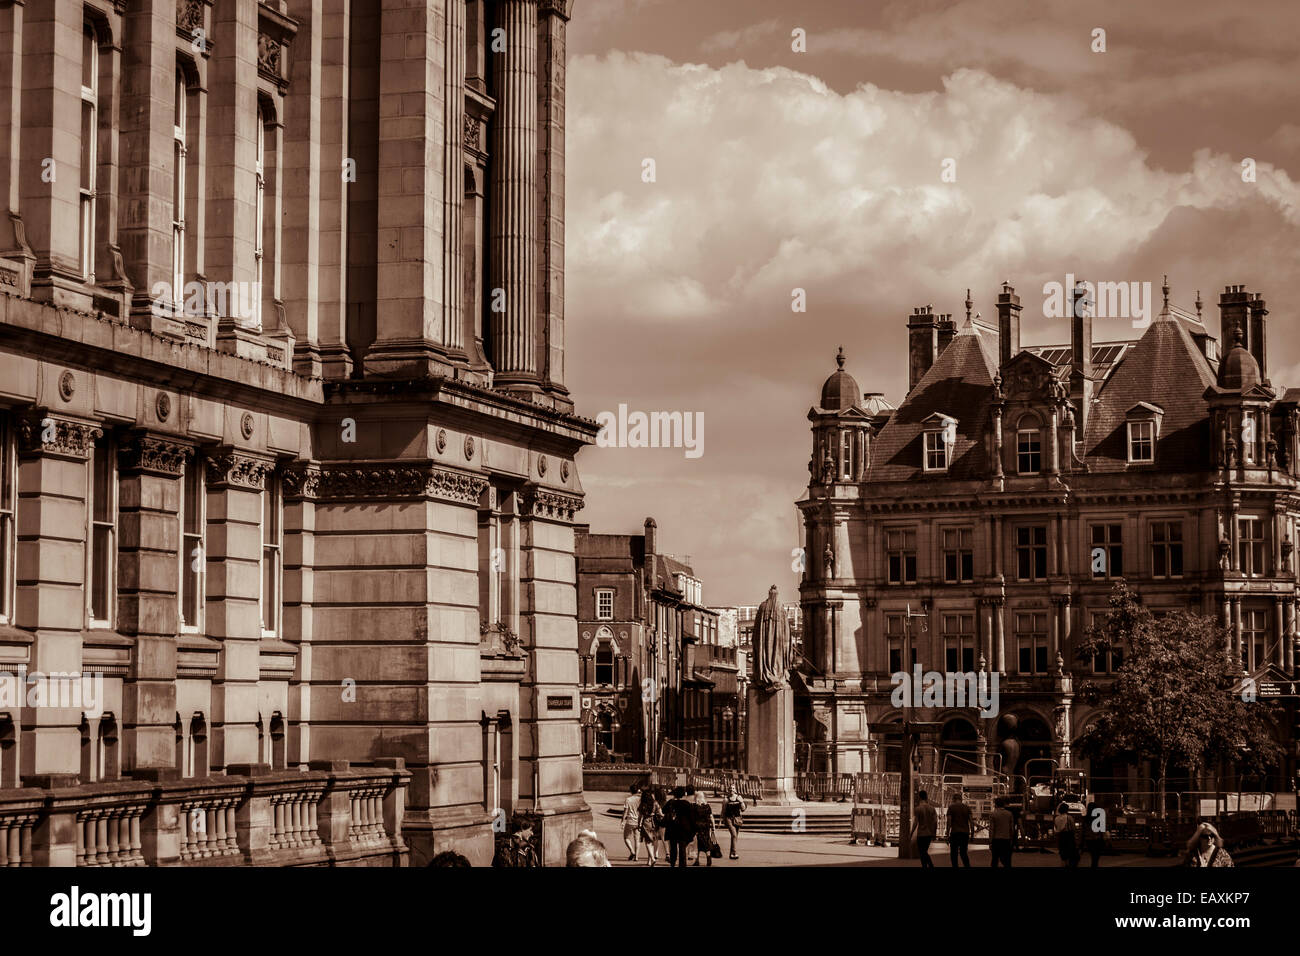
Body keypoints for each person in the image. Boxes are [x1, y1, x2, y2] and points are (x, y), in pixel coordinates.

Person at [663, 786, 694, 868]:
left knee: (673, 847)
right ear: (683, 794)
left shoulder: (671, 802)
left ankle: (673, 863)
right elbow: (691, 816)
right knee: (682, 848)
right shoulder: (686, 804)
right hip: (683, 828)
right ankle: (682, 864)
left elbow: (663, 810)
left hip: (672, 828)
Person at [910, 790, 938, 868]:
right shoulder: (932, 809)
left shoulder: (918, 809)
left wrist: (911, 833)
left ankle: (930, 865)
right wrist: (934, 833)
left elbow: (915, 823)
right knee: (924, 852)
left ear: (919, 797)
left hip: (921, 834)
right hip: (929, 834)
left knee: (922, 852)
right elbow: (935, 822)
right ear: (926, 797)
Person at [947, 792, 973, 867]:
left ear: (954, 799)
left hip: (955, 833)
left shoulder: (951, 807)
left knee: (953, 854)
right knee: (963, 853)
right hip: (965, 833)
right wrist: (972, 834)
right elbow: (971, 822)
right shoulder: (967, 808)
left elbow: (949, 822)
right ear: (961, 799)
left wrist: (947, 835)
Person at [638, 788, 662, 866]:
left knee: (648, 842)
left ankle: (652, 858)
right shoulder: (655, 803)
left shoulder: (643, 804)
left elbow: (640, 816)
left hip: (646, 822)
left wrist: (639, 824)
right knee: (652, 842)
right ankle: (649, 861)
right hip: (654, 823)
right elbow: (660, 813)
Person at [721, 785, 746, 860]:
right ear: (728, 790)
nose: (732, 789)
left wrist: (741, 801)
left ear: (735, 790)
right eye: (730, 788)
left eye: (733, 788)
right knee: (734, 835)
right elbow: (723, 811)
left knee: (735, 836)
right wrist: (722, 820)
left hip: (737, 819)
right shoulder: (726, 799)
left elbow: (743, 809)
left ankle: (731, 853)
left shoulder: (738, 797)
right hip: (729, 819)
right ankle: (734, 853)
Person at [988, 797, 1015, 868]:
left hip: (996, 839)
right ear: (1003, 804)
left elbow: (992, 829)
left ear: (995, 804)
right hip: (1006, 839)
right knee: (1007, 860)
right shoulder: (1009, 814)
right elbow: (1011, 828)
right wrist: (1011, 839)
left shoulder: (993, 814)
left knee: (995, 859)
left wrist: (990, 841)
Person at [693, 790, 717, 867]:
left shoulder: (695, 807)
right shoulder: (707, 806)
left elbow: (692, 818)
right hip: (706, 827)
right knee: (705, 842)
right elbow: (711, 817)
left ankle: (701, 859)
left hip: (697, 827)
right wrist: (713, 826)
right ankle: (704, 859)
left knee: (700, 843)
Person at [620, 782, 642, 860]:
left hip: (630, 821)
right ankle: (636, 857)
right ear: (638, 790)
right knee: (637, 839)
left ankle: (632, 851)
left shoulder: (628, 799)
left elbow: (625, 812)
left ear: (631, 791)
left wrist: (622, 821)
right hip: (638, 821)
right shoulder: (641, 799)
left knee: (626, 838)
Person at [1054, 802, 1080, 867]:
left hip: (1061, 837)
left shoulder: (1056, 818)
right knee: (1070, 853)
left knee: (1063, 853)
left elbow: (1056, 828)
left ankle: (1065, 864)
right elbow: (1073, 828)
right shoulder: (1069, 817)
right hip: (1069, 837)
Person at [1084, 802, 1106, 868]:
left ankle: (1093, 865)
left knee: (1093, 856)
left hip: (1089, 840)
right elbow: (1102, 830)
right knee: (1096, 857)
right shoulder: (1099, 817)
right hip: (1097, 839)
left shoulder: (1086, 818)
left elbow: (1084, 830)